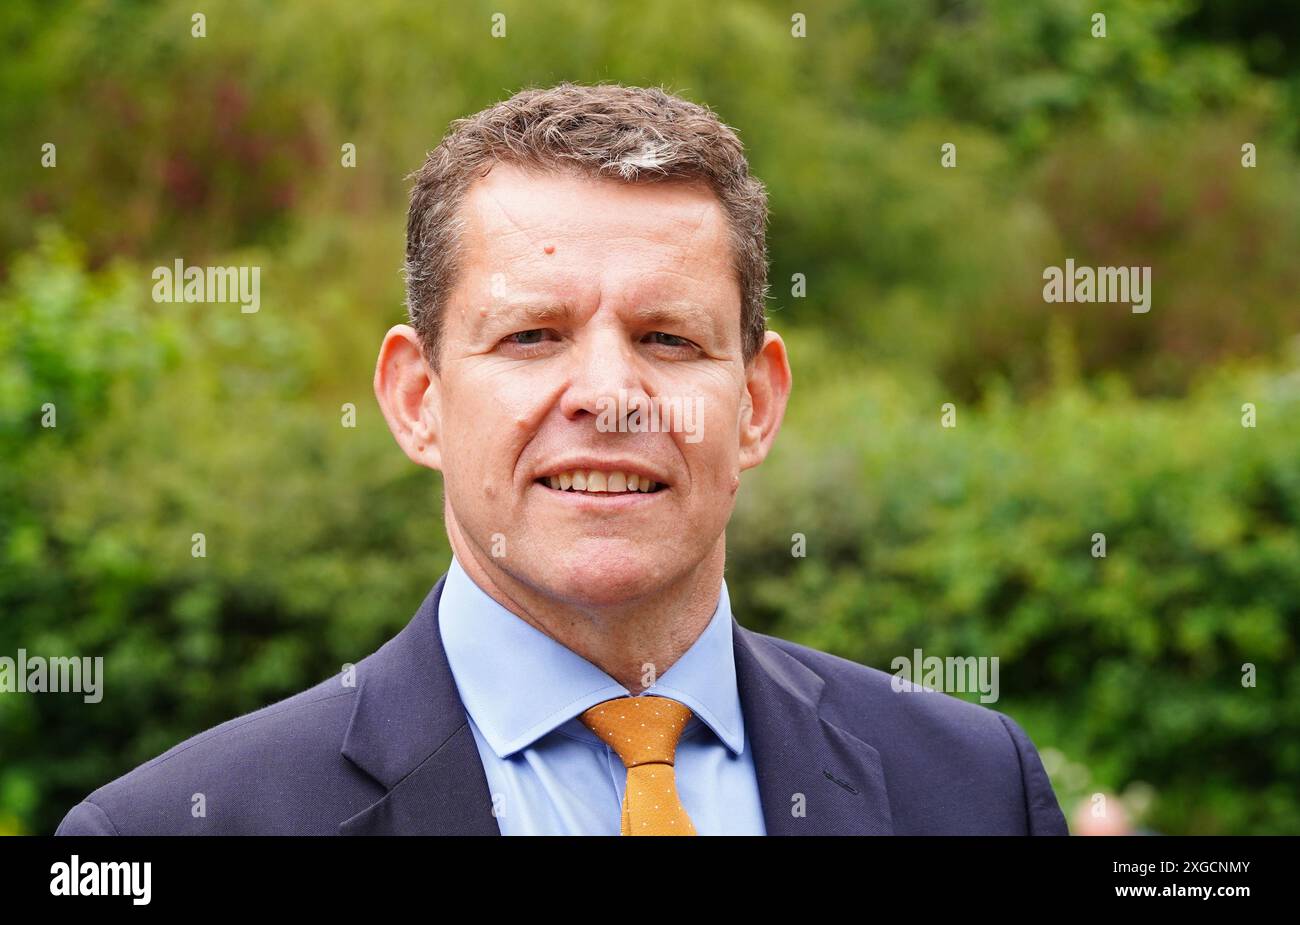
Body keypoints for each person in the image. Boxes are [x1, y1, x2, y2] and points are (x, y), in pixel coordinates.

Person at [56, 82, 1068, 835]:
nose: (611, 397)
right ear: (418, 398)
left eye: (668, 338)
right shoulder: (175, 830)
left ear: (755, 402)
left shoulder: (974, 787)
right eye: (532, 336)